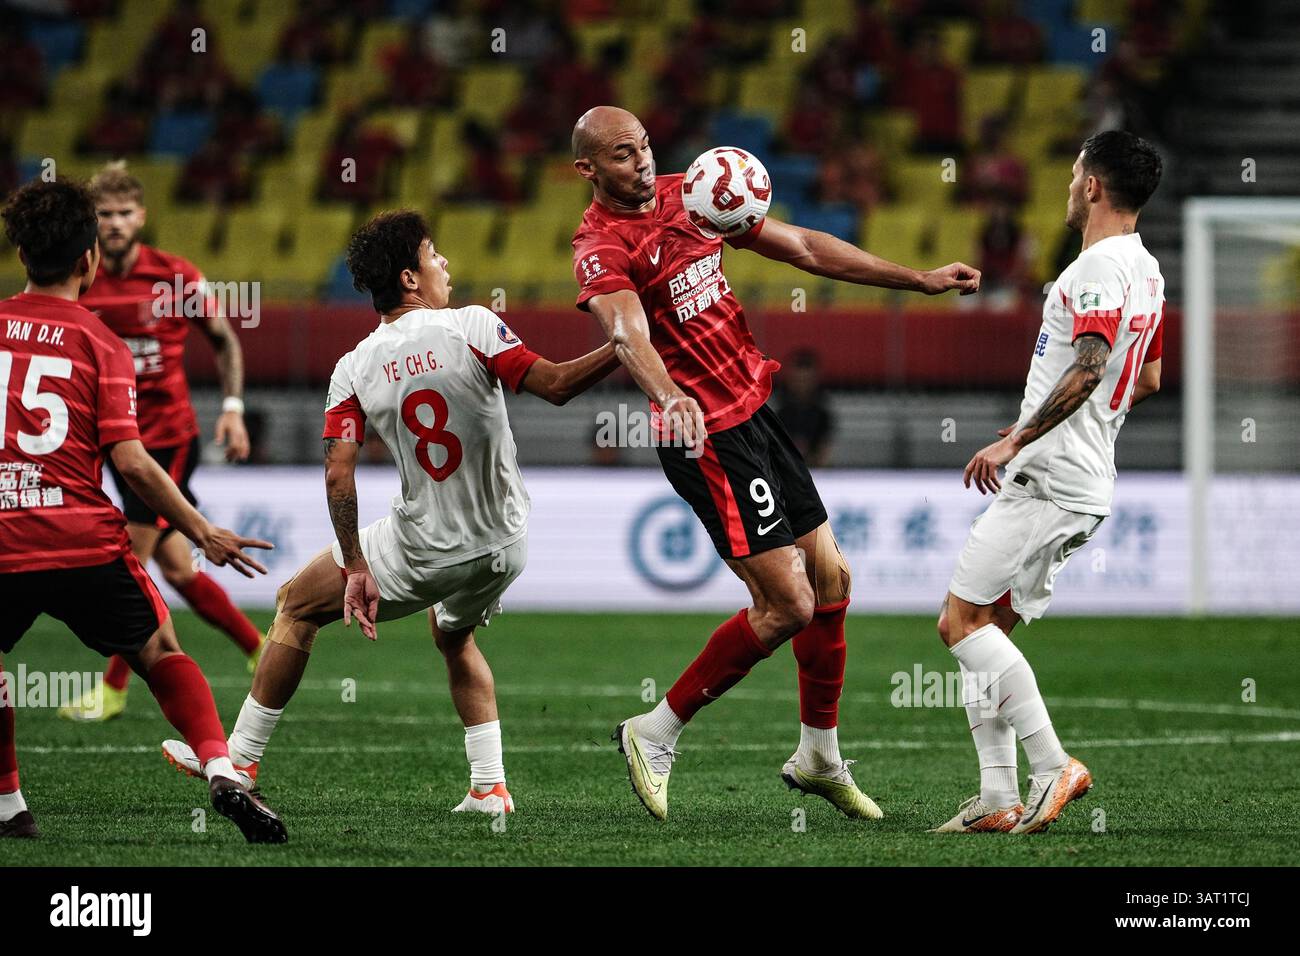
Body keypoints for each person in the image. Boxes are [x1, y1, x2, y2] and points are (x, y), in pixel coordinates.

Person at [569, 105, 981, 821]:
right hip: (706, 438)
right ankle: (654, 730)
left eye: (643, 147)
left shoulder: (692, 193)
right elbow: (626, 331)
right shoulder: (600, 247)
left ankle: (818, 756)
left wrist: (918, 281)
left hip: (755, 413)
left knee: (831, 579)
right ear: (587, 169)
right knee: (788, 604)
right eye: (620, 155)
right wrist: (669, 396)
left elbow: (807, 249)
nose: (640, 163)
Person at [161, 210, 620, 814]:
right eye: (435, 256)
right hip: (508, 543)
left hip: (429, 545)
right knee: (452, 636)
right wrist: (622, 345)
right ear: (410, 277)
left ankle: (240, 758)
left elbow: (338, 472)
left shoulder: (354, 368)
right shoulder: (473, 327)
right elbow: (557, 385)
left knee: (295, 604)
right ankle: (490, 787)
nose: (445, 265)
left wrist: (355, 564)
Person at [0, 178, 283, 842]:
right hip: (80, 537)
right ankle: (220, 769)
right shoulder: (102, 342)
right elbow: (128, 462)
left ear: (19, 257)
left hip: (5, 539)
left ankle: (10, 803)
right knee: (159, 646)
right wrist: (203, 527)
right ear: (88, 260)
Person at [932, 131, 1165, 834]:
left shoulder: (1093, 269)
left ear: (1092, 186)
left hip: (1050, 477)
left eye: (1072, 176)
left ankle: (1051, 766)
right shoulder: (1147, 270)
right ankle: (998, 797)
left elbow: (1090, 365)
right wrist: (1073, 426)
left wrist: (1020, 436)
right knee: (990, 629)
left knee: (959, 622)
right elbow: (1146, 378)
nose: (1067, 188)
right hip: (1084, 475)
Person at [58, 161, 263, 723]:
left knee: (130, 557)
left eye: (125, 213)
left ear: (143, 216)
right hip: (113, 445)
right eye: (105, 215)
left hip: (166, 442)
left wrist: (233, 409)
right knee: (177, 568)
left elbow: (224, 342)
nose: (116, 224)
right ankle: (260, 650)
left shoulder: (175, 277)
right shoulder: (81, 279)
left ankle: (114, 688)